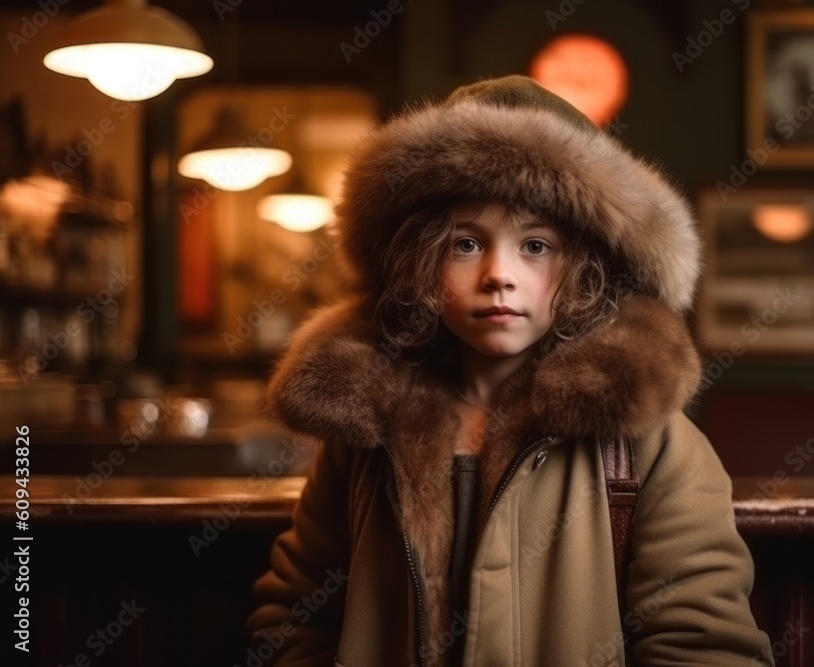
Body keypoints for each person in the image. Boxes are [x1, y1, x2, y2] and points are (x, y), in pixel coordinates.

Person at [247, 75, 774, 666]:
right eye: (465, 245)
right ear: (419, 266)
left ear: (585, 269)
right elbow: (295, 619)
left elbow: (705, 646)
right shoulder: (364, 432)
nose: (499, 274)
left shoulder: (648, 441)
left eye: (535, 246)